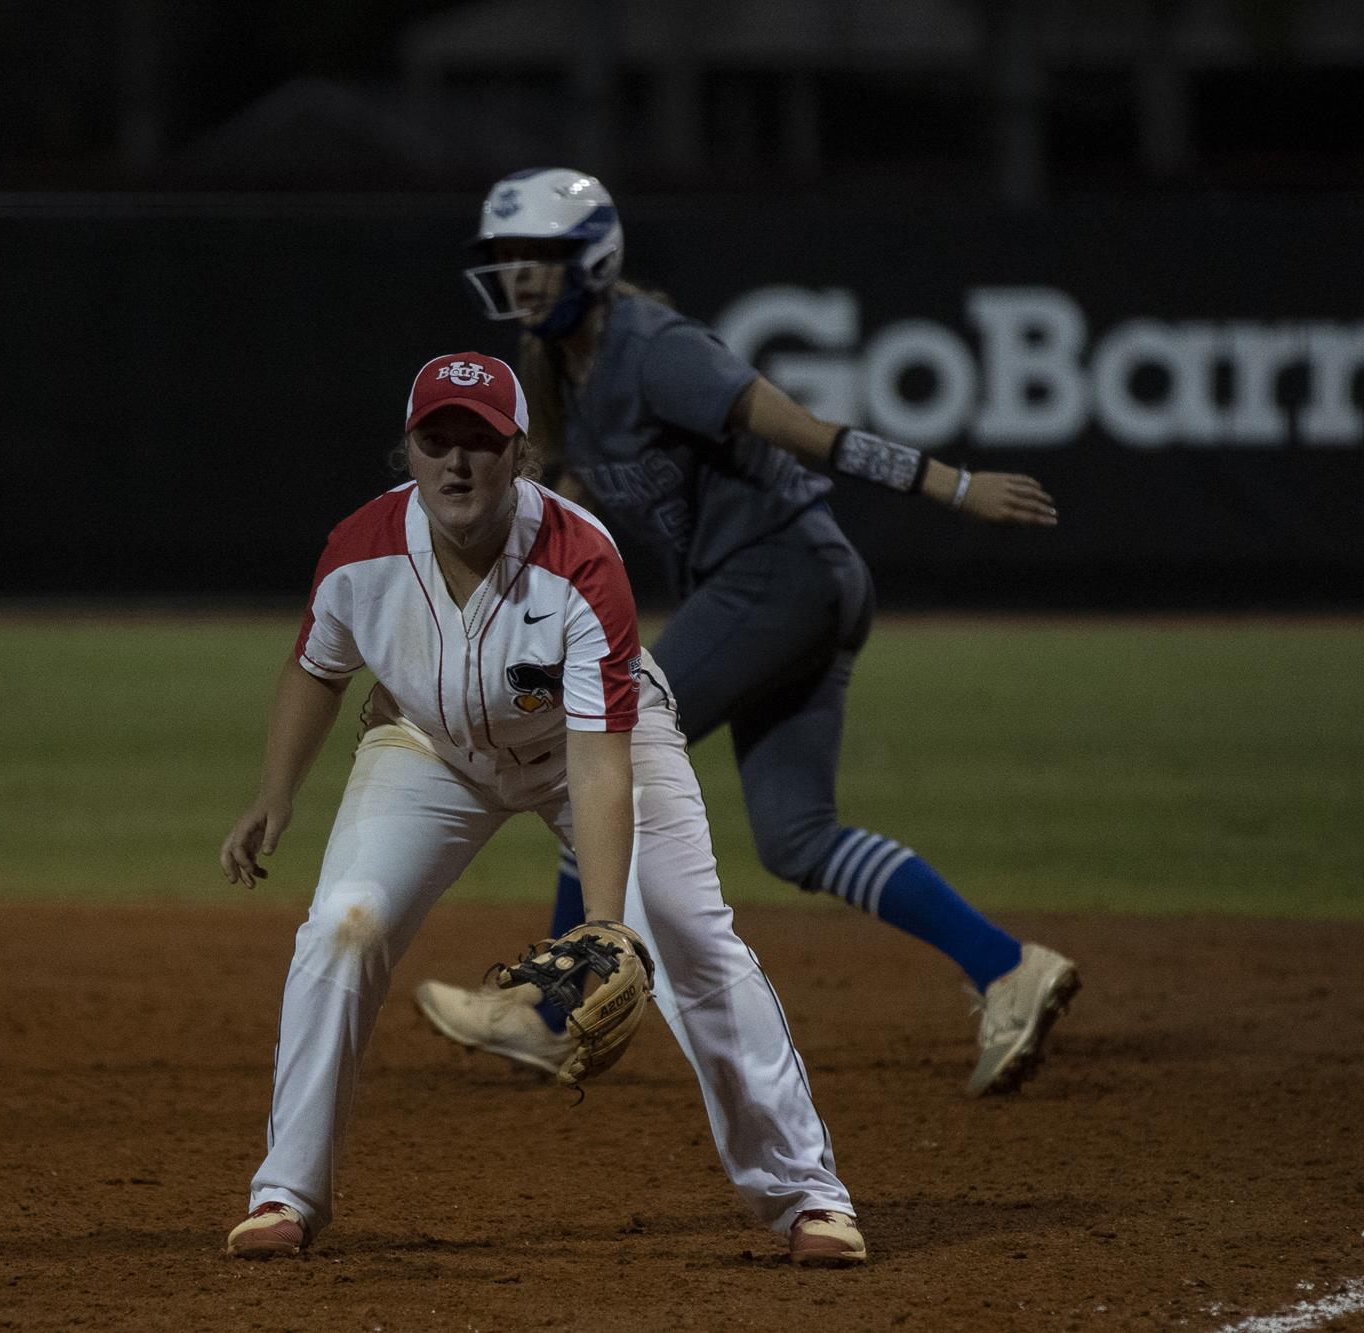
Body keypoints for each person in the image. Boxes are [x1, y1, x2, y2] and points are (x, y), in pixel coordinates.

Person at [414, 168, 1079, 1098]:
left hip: (781, 573)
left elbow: (804, 432)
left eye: (541, 257)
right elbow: (574, 497)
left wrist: (952, 486)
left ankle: (550, 1012)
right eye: (509, 259)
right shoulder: (558, 367)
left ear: (593, 258)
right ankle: (1007, 966)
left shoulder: (656, 347)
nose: (521, 277)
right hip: (789, 583)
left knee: (597, 746)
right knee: (797, 837)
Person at [217, 350, 867, 1267]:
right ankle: (285, 1192)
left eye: (480, 443)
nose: (456, 462)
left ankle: (809, 1195)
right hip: (430, 746)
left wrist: (605, 924)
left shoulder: (578, 557)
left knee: (684, 930)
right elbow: (318, 668)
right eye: (436, 439)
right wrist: (273, 797)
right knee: (342, 924)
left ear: (519, 454)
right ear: (406, 449)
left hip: (594, 741)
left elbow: (598, 761)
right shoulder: (360, 550)